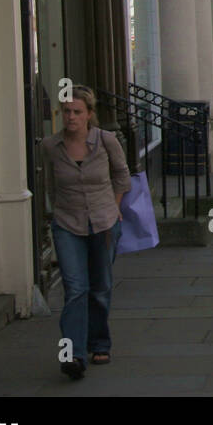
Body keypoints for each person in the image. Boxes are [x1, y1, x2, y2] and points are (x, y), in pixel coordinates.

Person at [41, 84, 131, 378]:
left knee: (100, 288)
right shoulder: (51, 147)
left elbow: (122, 175)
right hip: (68, 224)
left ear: (89, 114)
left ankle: (100, 342)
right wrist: (58, 212)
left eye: (77, 112)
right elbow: (51, 187)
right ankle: (73, 354)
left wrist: (115, 206)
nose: (71, 117)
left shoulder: (106, 141)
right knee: (75, 288)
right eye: (66, 111)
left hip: (104, 222)